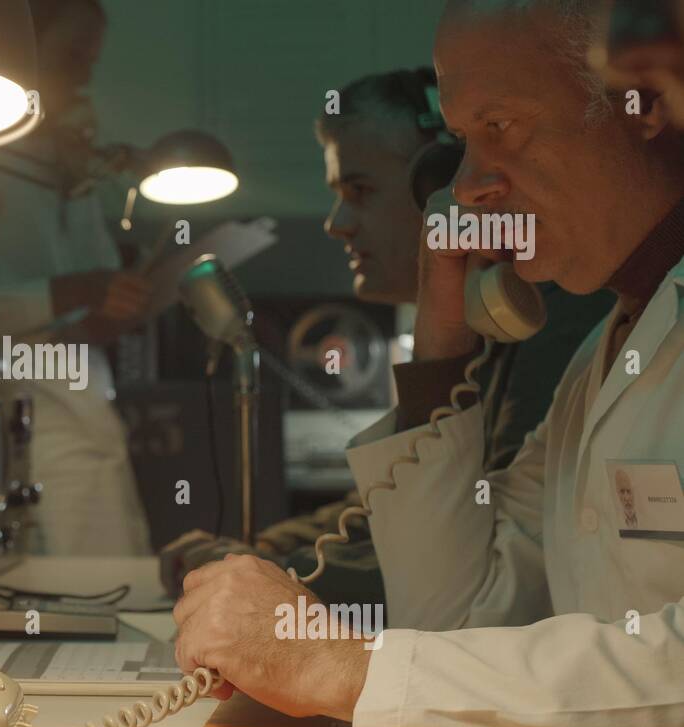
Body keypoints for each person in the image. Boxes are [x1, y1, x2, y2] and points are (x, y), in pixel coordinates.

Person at [173, 0, 684, 727]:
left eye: (500, 127)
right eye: (462, 141)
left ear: (644, 100)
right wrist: (441, 345)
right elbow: (460, 620)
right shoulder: (603, 355)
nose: (469, 185)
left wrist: (336, 665)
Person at [237, 69, 615, 608]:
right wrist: (272, 550)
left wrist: (271, 579)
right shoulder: (498, 318)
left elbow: (478, 544)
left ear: (439, 184)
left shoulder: (562, 321)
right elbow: (399, 495)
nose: (337, 223)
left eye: (359, 191)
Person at [0, 0, 155, 556]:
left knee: (116, 573)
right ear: (24, 51)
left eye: (92, 60)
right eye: (73, 57)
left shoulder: (67, 168)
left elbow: (97, 281)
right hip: (17, 415)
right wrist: (71, 293)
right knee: (81, 583)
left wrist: (113, 307)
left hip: (87, 407)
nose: (86, 75)